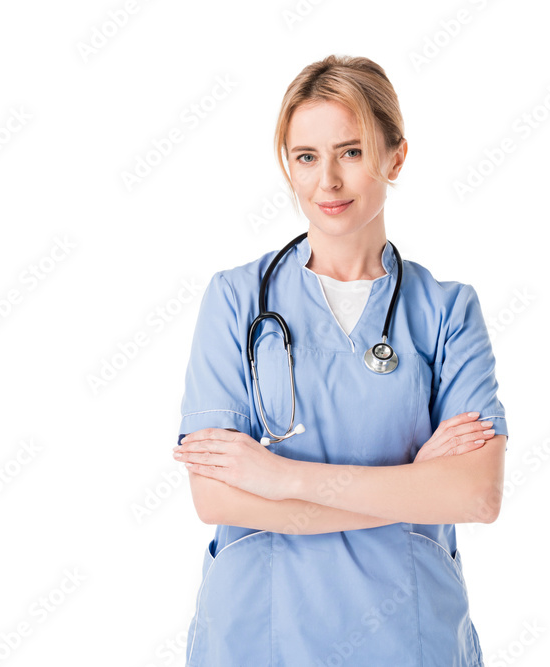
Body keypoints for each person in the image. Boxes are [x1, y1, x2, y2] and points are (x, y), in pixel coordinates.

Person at [172, 54, 509, 666]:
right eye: (306, 157)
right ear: (289, 167)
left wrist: (282, 479)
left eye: (351, 152)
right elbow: (215, 498)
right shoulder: (236, 300)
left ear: (395, 157)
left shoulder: (446, 312)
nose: (327, 180)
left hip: (407, 638)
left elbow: (477, 496)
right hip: (258, 638)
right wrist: (414, 483)